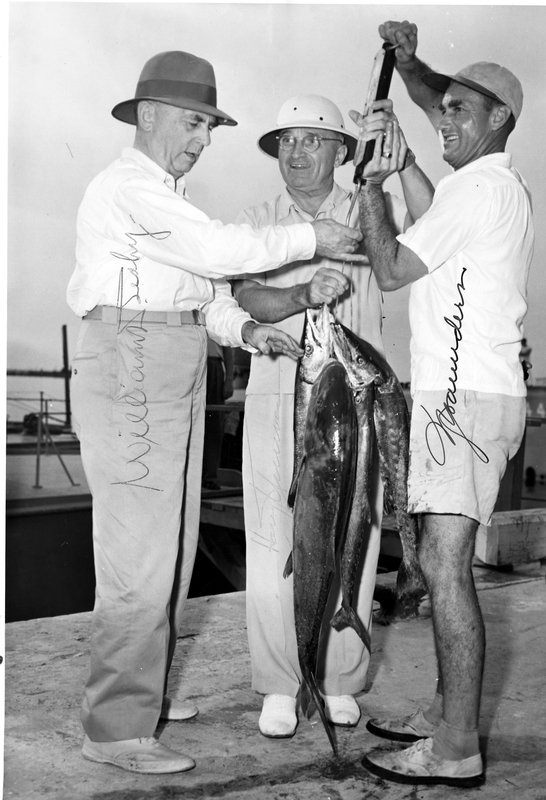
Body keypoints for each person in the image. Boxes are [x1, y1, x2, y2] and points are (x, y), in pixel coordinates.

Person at [67, 51, 364, 775]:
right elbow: (218, 250)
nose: (203, 139)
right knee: (138, 553)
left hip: (174, 360)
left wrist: (249, 331)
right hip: (131, 357)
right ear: (148, 116)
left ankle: (145, 693)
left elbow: (206, 292)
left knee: (170, 543)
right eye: (196, 122)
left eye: (209, 127)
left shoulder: (168, 197)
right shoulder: (130, 186)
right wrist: (310, 238)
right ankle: (115, 729)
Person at [352, 21, 534, 787]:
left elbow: (391, 268)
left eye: (463, 110)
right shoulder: (475, 190)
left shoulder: (482, 185)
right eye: (443, 108)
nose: (447, 119)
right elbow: (431, 226)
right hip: (460, 396)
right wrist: (408, 165)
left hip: (464, 401)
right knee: (433, 559)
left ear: (498, 122)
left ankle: (457, 746)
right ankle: (445, 711)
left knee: (447, 569)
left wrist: (368, 181)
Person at [232, 94, 434, 739]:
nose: (295, 153)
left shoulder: (370, 203)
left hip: (362, 403)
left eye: (312, 141)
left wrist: (397, 158)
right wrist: (298, 292)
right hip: (278, 399)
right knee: (271, 541)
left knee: (357, 529)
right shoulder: (257, 220)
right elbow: (247, 295)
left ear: (343, 151)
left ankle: (342, 676)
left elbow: (429, 222)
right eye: (285, 142)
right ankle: (280, 684)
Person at [201, 338, 234, 493]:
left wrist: (229, 380)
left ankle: (210, 477)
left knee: (213, 423)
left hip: (213, 366)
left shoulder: (217, 315)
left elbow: (227, 348)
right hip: (189, 361)